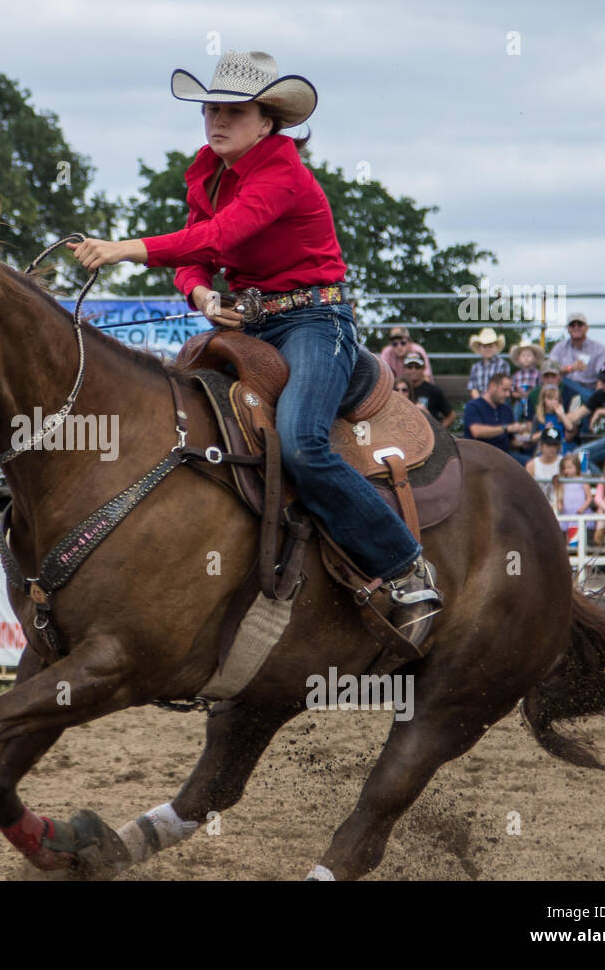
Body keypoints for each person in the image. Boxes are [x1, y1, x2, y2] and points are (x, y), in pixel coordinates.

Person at [66, 49, 441, 649]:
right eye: (211, 108)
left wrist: (124, 248)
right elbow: (197, 256)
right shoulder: (206, 172)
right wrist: (201, 297)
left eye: (233, 111)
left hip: (319, 320)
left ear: (266, 121)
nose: (217, 120)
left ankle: (405, 567)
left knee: (301, 441)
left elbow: (222, 234)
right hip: (248, 325)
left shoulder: (282, 173)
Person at [463, 373, 530, 463]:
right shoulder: (473, 406)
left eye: (509, 391)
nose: (507, 394)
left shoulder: (506, 409)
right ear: (492, 386)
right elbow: (476, 432)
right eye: (505, 390)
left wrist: (524, 442)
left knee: (532, 464)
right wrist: (506, 428)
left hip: (504, 456)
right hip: (478, 458)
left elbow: (511, 441)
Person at [548, 314, 605, 402]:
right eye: (572, 325)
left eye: (580, 325)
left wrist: (598, 396)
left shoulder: (599, 349)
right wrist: (570, 368)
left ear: (586, 328)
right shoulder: (560, 347)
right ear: (568, 329)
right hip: (564, 388)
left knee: (584, 399)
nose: (576, 327)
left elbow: (602, 374)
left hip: (588, 389)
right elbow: (550, 369)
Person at [401, 353, 454, 428]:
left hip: (428, 432)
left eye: (417, 367)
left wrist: (439, 433)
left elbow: (451, 415)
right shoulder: (399, 389)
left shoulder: (433, 390)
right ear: (404, 369)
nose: (413, 370)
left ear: (424, 368)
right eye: (410, 367)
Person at [530, 378, 575, 453]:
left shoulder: (561, 415)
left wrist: (562, 415)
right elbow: (532, 438)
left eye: (556, 399)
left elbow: (570, 428)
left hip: (560, 449)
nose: (553, 402)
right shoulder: (538, 416)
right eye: (550, 399)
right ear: (544, 399)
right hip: (544, 450)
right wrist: (544, 431)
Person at [466, 328, 510, 401]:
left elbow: (504, 387)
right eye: (484, 346)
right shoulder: (476, 367)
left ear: (496, 347)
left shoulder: (502, 364)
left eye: (490, 346)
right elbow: (473, 389)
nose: (487, 349)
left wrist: (490, 401)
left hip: (498, 400)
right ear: (479, 348)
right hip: (480, 401)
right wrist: (481, 402)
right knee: (471, 407)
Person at [525, 428, 563, 510]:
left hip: (559, 505)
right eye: (548, 445)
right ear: (541, 445)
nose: (552, 448)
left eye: (555, 445)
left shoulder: (563, 463)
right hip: (538, 506)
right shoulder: (532, 465)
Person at [557, 453, 591, 544]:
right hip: (568, 513)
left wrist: (583, 508)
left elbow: (589, 497)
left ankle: (578, 546)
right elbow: (559, 497)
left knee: (580, 532)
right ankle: (570, 546)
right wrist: (560, 504)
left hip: (580, 512)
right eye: (565, 468)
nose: (567, 470)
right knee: (569, 532)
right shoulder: (562, 482)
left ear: (577, 467)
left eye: (570, 467)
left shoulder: (582, 480)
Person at [508, 342, 544, 419]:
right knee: (515, 414)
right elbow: (512, 391)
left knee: (536, 414)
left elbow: (541, 389)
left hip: (534, 401)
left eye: (529, 355)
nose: (526, 358)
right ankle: (514, 426)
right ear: (519, 359)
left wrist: (531, 394)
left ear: (534, 358)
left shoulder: (538, 374)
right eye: (523, 356)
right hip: (520, 401)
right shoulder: (516, 375)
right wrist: (518, 395)